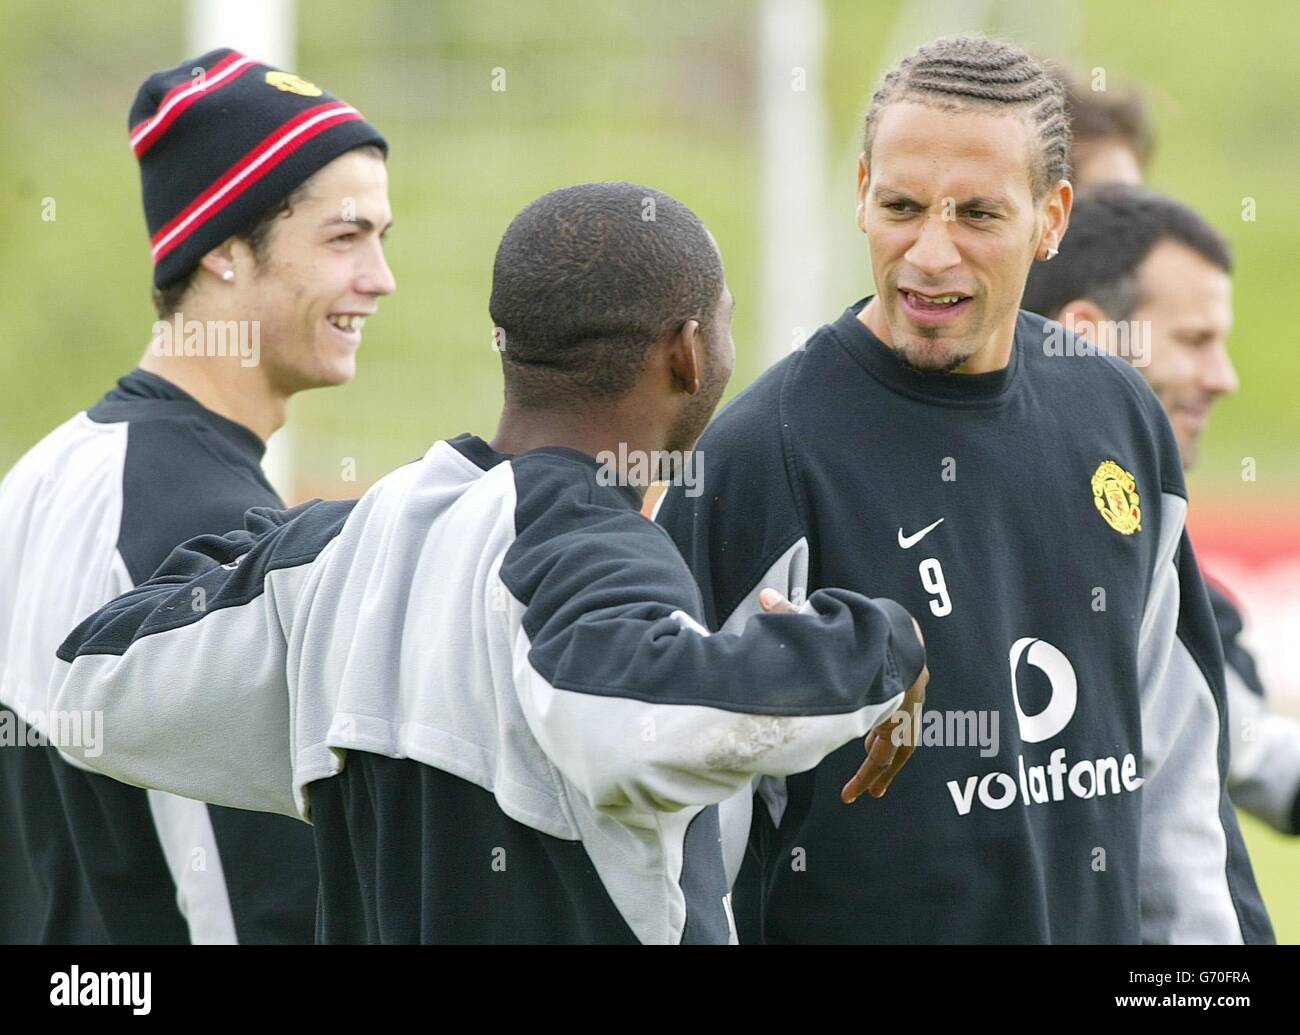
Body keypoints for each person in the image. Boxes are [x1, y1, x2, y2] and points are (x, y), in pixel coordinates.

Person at [50, 182, 929, 944]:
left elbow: (95, 677)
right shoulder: (595, 546)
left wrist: (271, 547)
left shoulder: (352, 544)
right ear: (687, 351)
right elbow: (622, 713)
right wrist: (878, 648)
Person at [656, 34, 1273, 943]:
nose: (931, 253)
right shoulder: (765, 458)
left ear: (1052, 216)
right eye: (902, 206)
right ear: (861, 192)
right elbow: (684, 831)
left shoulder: (1117, 415)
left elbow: (1179, 784)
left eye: (978, 215)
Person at [0, 48, 395, 943]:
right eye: (344, 237)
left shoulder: (47, 469)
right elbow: (262, 898)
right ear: (221, 248)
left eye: (382, 236)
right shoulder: (211, 530)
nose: (380, 277)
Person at [1022, 184, 1300, 836]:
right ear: (1085, 335)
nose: (1223, 377)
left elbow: (1258, 755)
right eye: (1195, 340)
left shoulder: (1153, 558)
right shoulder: (1003, 537)